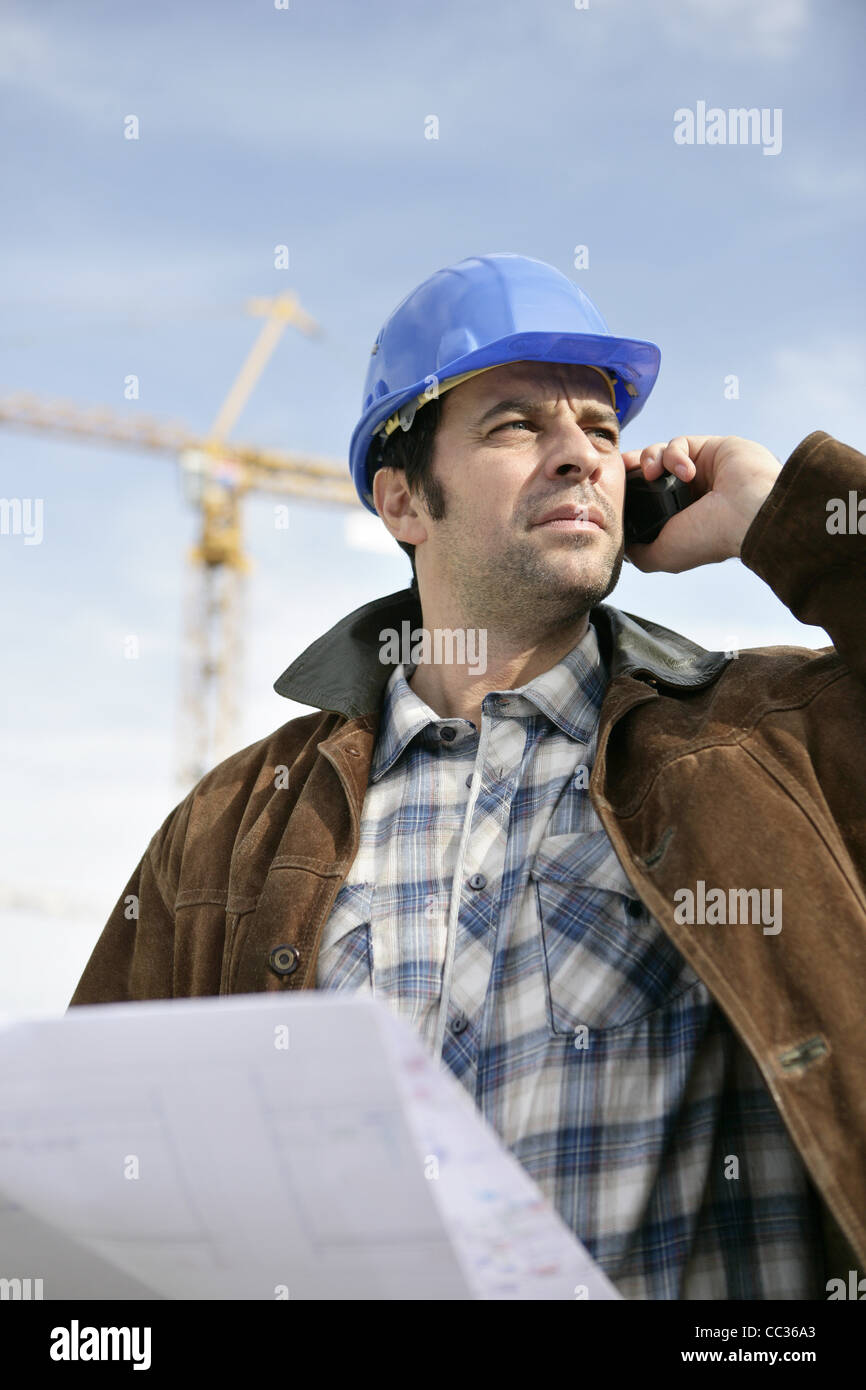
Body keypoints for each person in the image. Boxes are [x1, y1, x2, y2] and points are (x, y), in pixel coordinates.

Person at [69, 252, 865, 1300]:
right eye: (516, 425)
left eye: (601, 430)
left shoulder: (774, 742)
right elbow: (87, 1189)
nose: (579, 457)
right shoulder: (228, 827)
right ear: (402, 498)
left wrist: (784, 513)